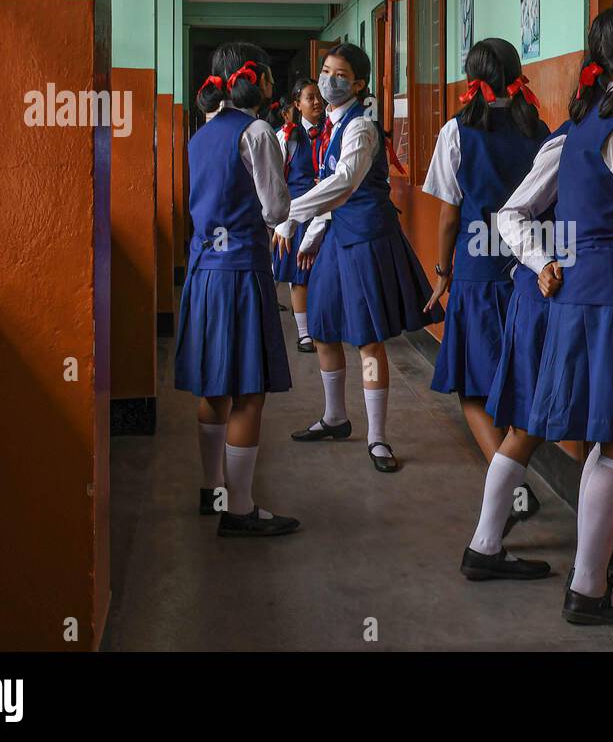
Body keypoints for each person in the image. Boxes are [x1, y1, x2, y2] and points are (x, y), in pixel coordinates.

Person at [490, 7, 613, 623]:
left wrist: (545, 258)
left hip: (577, 299)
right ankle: (589, 588)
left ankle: (591, 580)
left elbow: (511, 214)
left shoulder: (576, 130)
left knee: (604, 432)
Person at [275, 44, 444, 473]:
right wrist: (312, 236)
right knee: (325, 327)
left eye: (341, 73)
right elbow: (330, 193)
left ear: (359, 83)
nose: (330, 80)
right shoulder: (328, 126)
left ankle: (377, 438)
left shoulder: (362, 127)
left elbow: (345, 183)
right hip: (336, 236)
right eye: (326, 71)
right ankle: (335, 417)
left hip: (368, 238)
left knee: (367, 338)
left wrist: (288, 216)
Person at [176, 42, 299, 538]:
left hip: (204, 271)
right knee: (249, 392)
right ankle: (242, 509)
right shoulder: (258, 131)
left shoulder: (201, 134)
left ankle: (214, 490)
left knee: (214, 388)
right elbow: (276, 211)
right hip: (243, 272)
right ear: (259, 79)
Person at [422, 38, 549, 476]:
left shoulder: (456, 131)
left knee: (473, 387)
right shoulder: (539, 130)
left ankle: (507, 484)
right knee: (520, 379)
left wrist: (443, 273)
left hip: (477, 271)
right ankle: (511, 477)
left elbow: (447, 215)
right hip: (529, 271)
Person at [272, 77, 327, 352]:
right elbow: (276, 178)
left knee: (324, 271)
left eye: (318, 96)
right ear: (297, 104)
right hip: (297, 214)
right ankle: (305, 333)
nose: (317, 101)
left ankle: (326, 325)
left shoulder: (331, 131)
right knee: (300, 274)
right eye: (309, 97)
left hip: (326, 211)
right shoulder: (288, 136)